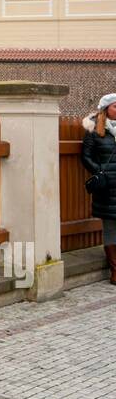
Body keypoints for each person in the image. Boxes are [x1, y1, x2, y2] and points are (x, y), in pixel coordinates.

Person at [81, 92, 116, 285]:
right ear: (106, 109)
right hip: (107, 187)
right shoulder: (94, 130)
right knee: (110, 227)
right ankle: (115, 271)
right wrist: (101, 171)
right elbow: (86, 157)